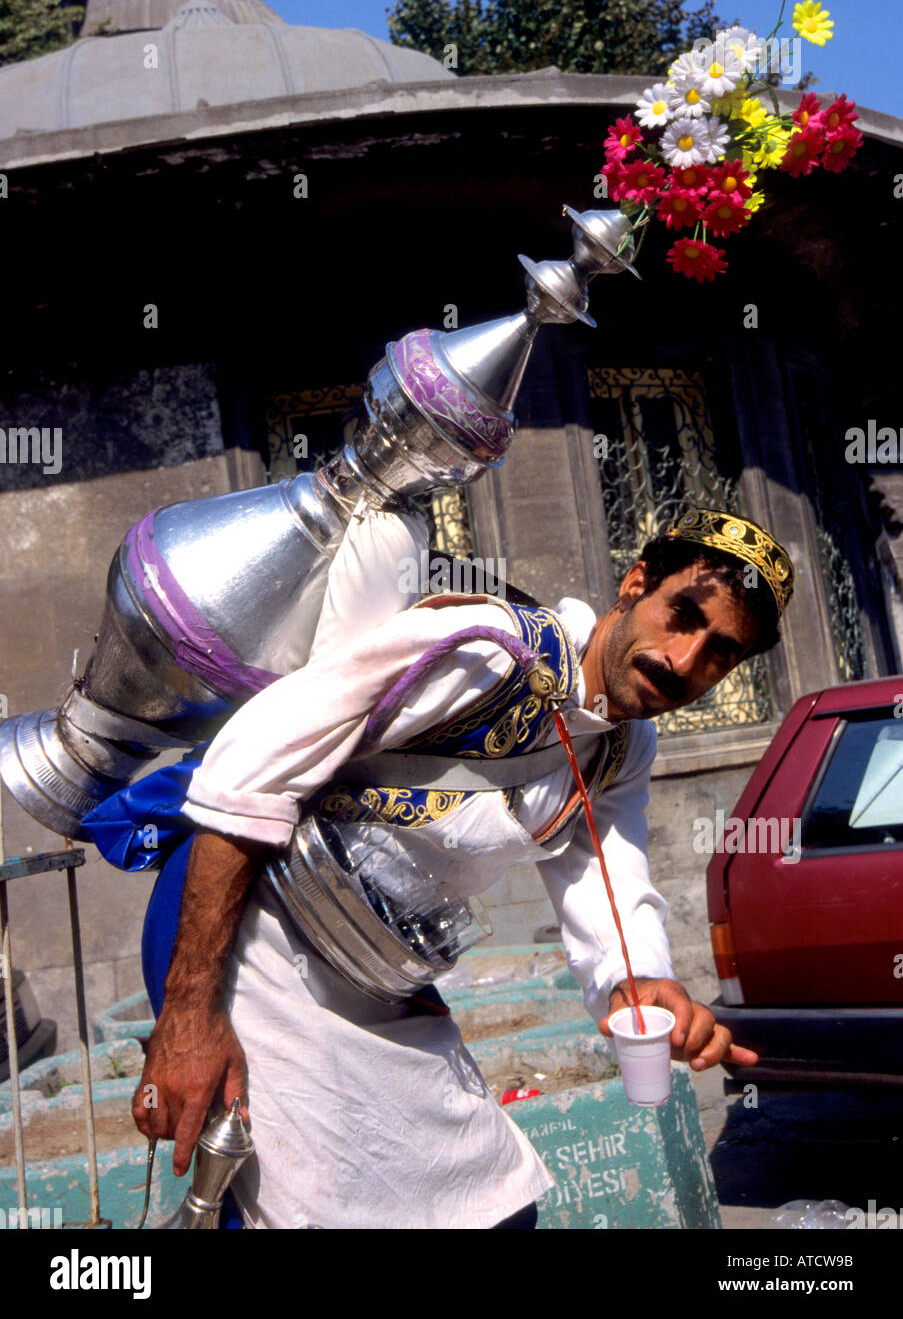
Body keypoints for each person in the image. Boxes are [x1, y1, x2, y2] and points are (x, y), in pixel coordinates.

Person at [127, 507, 794, 1229]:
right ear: (634, 585)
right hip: (249, 930)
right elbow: (244, 772)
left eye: (721, 652)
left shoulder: (619, 750)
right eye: (681, 616)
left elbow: (606, 878)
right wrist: (187, 1015)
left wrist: (640, 983)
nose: (684, 660)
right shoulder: (484, 653)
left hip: (374, 969)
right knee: (313, 1212)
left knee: (491, 1210)